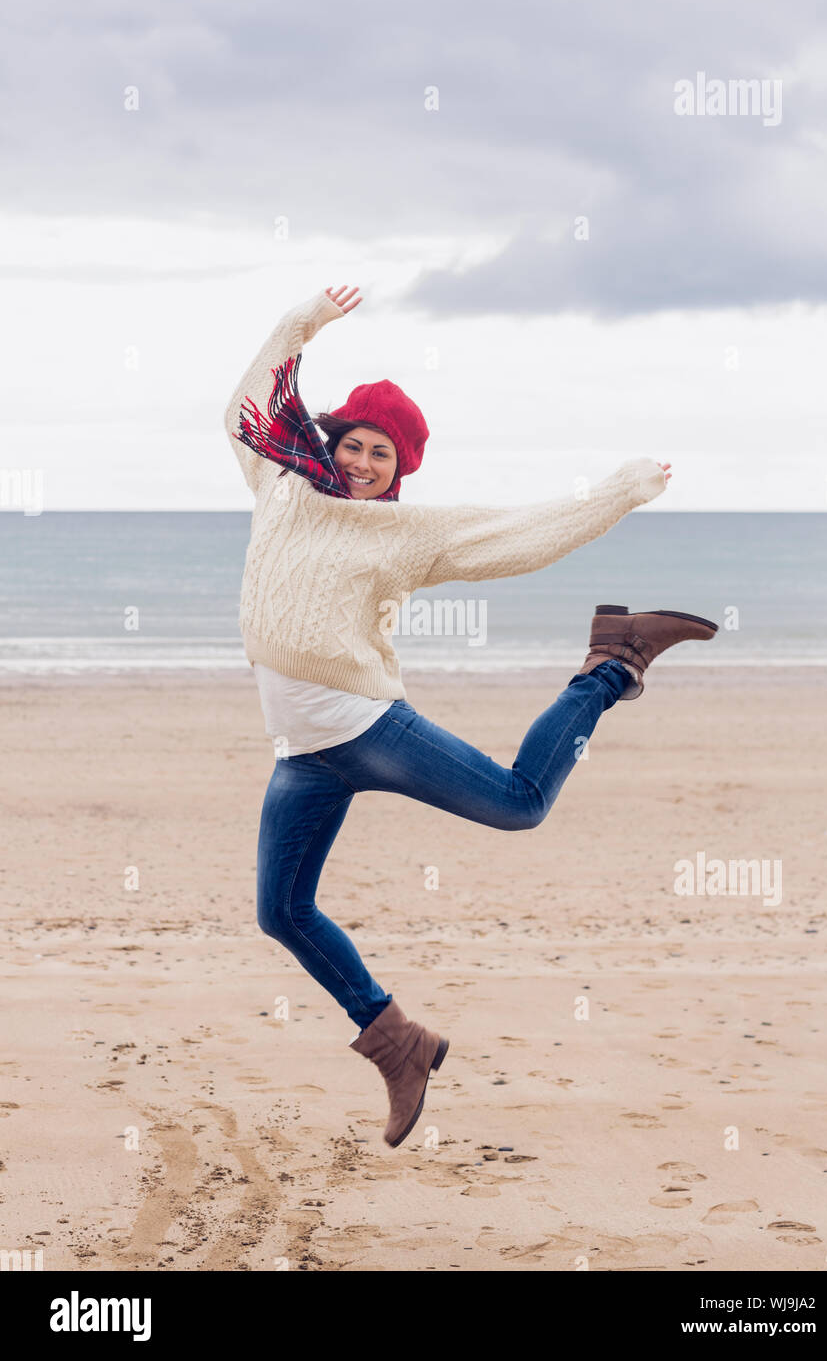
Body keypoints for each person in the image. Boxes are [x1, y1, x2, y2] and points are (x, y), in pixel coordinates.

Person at [223, 283, 717, 1148]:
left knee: (522, 803)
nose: (362, 462)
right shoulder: (282, 483)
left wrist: (616, 494)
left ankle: (611, 664)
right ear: (331, 441)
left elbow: (521, 536)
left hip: (367, 730)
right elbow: (243, 408)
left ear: (400, 468)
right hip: (302, 752)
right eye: (353, 443)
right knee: (281, 911)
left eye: (381, 454)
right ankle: (399, 1045)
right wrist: (303, 322)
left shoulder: (407, 534)